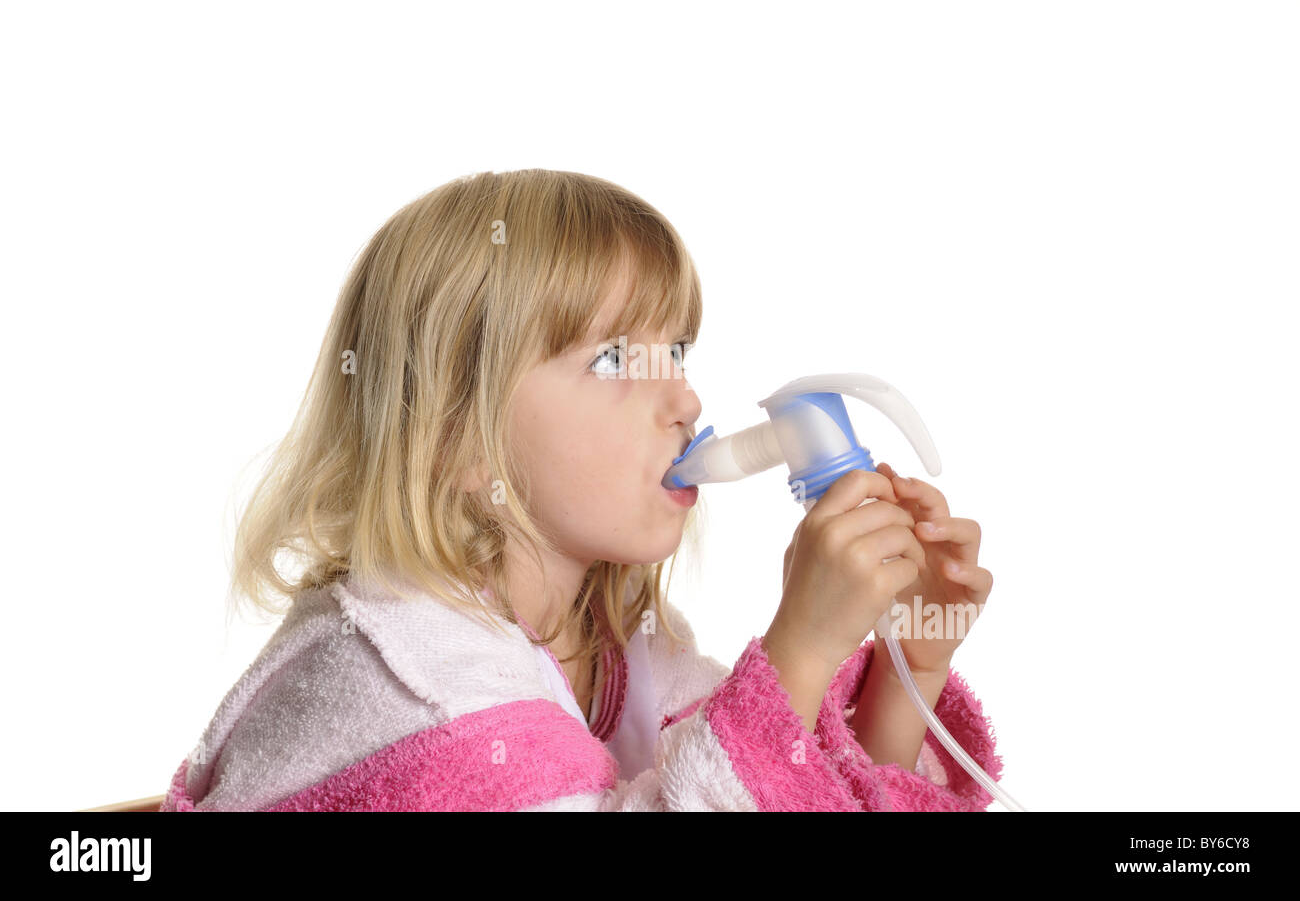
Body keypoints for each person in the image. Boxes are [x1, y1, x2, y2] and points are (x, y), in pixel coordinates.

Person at [160, 169, 1002, 811]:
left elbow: (789, 788)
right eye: (613, 359)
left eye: (676, 351)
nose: (686, 398)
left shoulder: (615, 656)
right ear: (460, 438)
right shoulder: (406, 686)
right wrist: (802, 655)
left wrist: (908, 668)